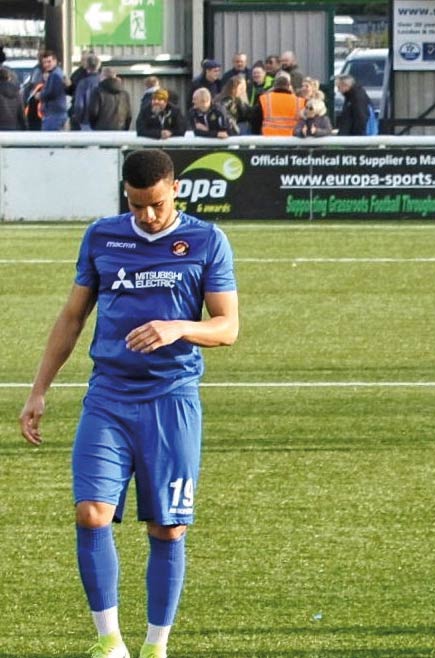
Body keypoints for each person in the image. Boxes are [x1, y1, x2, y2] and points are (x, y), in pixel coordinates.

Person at [19, 148, 239, 658]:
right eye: (138, 205)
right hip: (109, 398)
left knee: (167, 526)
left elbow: (228, 326)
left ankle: (156, 647)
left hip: (172, 400)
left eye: (157, 204)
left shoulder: (207, 241)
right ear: (126, 195)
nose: (148, 216)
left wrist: (179, 327)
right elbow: (72, 317)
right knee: (92, 514)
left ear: (175, 190)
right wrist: (39, 390)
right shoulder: (102, 236)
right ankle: (109, 642)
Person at [88, 68, 133, 132]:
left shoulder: (97, 92)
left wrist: (94, 126)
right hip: (120, 129)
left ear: (102, 76)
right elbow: (129, 115)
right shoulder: (124, 94)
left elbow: (93, 112)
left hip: (101, 130)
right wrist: (125, 128)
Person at [36, 49, 68, 131]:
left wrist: (40, 95)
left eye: (49, 61)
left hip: (54, 114)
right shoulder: (56, 73)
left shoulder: (55, 75)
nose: (46, 64)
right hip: (56, 113)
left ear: (55, 61)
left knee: (49, 141)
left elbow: (51, 93)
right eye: (44, 62)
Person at [71, 52, 101, 131]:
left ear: (86, 65)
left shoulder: (83, 83)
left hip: (86, 121)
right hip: (102, 122)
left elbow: (79, 105)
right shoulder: (103, 81)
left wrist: (77, 117)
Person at [0, 66, 27, 130]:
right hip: (13, 128)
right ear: (8, 78)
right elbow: (21, 113)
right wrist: (25, 128)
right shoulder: (17, 92)